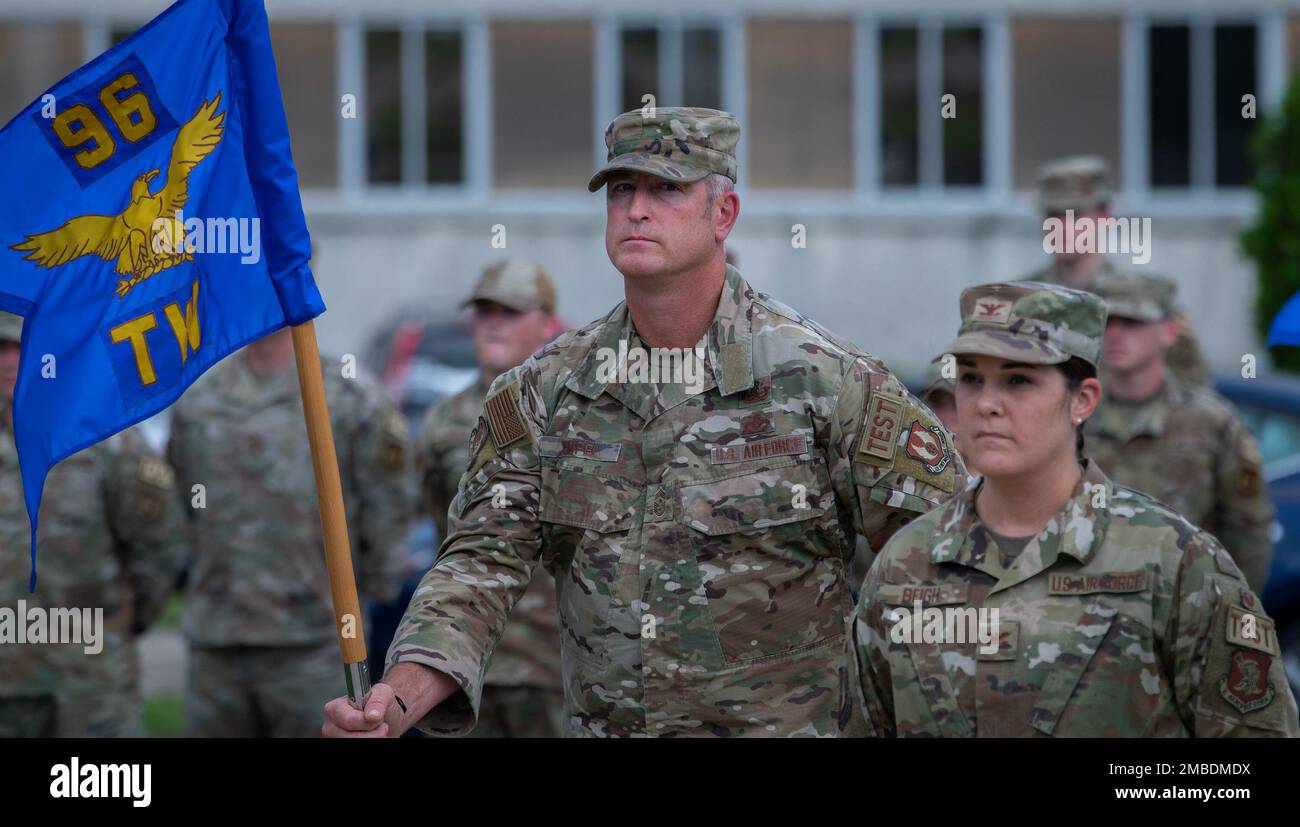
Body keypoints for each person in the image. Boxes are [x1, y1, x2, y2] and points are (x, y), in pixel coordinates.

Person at [324, 106, 964, 738]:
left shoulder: (827, 382)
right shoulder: (546, 390)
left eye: (667, 190)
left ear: (724, 215)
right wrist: (394, 704)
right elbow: (479, 568)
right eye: (622, 190)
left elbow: (946, 564)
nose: (636, 209)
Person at [853, 282, 1299, 737]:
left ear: (1083, 400)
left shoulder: (1175, 562)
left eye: (1018, 380)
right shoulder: (904, 564)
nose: (986, 404)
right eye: (970, 378)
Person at [167, 327, 412, 737]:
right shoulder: (199, 398)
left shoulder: (350, 396)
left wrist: (365, 599)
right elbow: (179, 510)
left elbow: (388, 506)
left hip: (317, 644)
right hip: (218, 642)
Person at [0, 311, 186, 736]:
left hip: (92, 683)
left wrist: (122, 624)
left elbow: (160, 546)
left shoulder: (106, 437)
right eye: (0, 349)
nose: (11, 361)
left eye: (21, 348)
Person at [416, 260, 565, 737]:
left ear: (548, 323)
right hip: (466, 665)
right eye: (484, 311)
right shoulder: (443, 420)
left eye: (510, 311)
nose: (493, 323)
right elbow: (443, 524)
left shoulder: (574, 411)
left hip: (554, 665)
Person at [1087, 272, 1274, 593]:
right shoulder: (1073, 415)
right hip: (1083, 610)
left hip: (1181, 609)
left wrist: (1225, 612)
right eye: (1109, 321)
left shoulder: (1212, 422)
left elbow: (1248, 531)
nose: (1116, 334)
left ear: (1169, 331)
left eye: (1132, 322)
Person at [1020, 155, 1208, 385]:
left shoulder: (1144, 300)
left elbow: (1193, 388)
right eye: (1052, 215)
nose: (1061, 226)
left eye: (1075, 214)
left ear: (1105, 216)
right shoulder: (1020, 300)